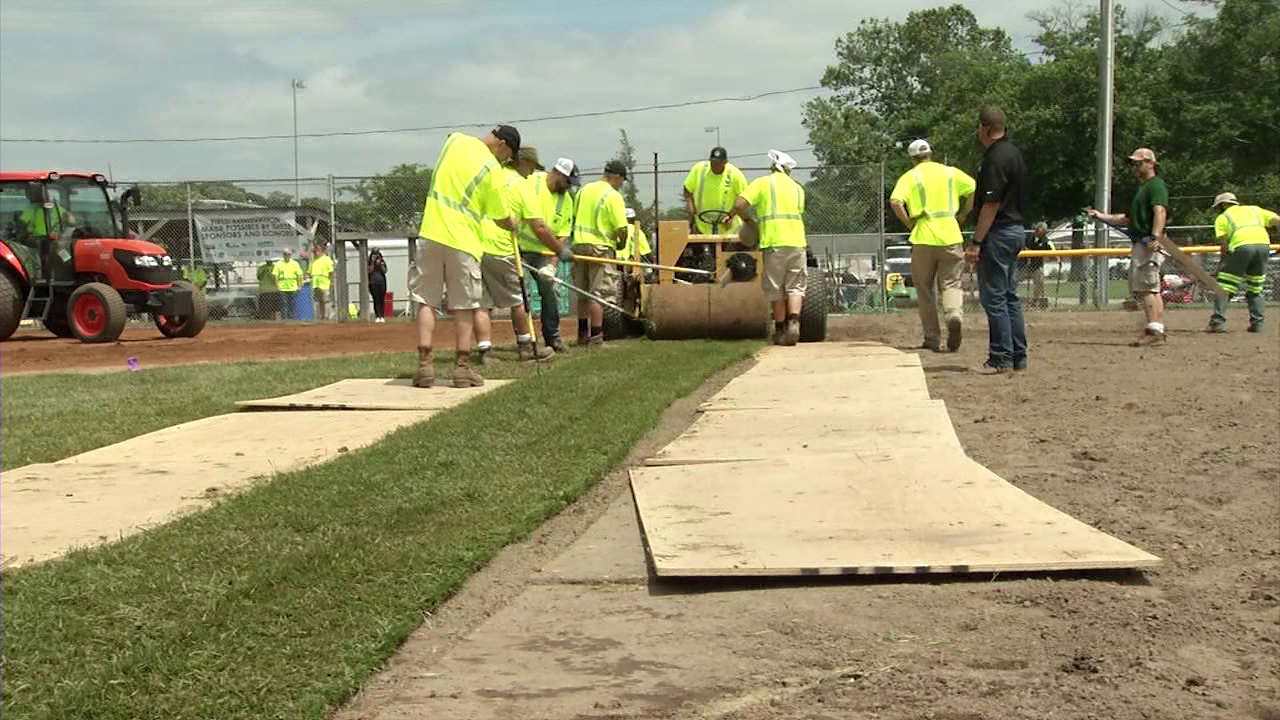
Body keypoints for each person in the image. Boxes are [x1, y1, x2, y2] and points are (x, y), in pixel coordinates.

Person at [409, 125, 519, 388]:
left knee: (426, 301)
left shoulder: (457, 141)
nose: (506, 161)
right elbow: (501, 216)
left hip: (431, 233)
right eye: (508, 156)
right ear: (502, 144)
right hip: (463, 242)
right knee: (465, 306)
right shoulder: (493, 170)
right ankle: (462, 368)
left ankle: (424, 366)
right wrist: (513, 222)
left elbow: (450, 137)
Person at [889, 138, 976, 353]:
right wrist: (963, 214)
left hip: (923, 236)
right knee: (951, 284)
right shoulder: (950, 173)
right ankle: (953, 314)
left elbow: (895, 201)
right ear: (930, 153)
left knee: (924, 289)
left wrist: (908, 221)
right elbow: (975, 188)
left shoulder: (911, 176)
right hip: (950, 234)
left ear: (912, 158)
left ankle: (932, 337)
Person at [475, 145, 555, 364]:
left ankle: (485, 351)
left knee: (482, 303)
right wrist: (559, 250)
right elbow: (538, 226)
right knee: (519, 299)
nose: (532, 172)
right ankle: (526, 347)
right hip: (501, 247)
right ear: (524, 162)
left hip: (477, 245)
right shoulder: (521, 185)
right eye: (531, 167)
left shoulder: (493, 175)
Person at [965, 106, 1028, 374]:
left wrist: (976, 242)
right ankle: (1018, 356)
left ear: (984, 128)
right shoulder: (1014, 153)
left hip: (999, 232)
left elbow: (991, 204)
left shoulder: (994, 158)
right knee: (1010, 296)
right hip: (1016, 229)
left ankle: (1000, 357)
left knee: (995, 298)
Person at [1085, 147, 1169, 347]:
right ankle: (1155, 328)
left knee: (1146, 288)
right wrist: (1100, 216)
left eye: (1138, 163)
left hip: (1147, 243)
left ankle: (1154, 330)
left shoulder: (1155, 186)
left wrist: (1154, 236)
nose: (1134, 167)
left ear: (1150, 163)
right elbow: (1126, 219)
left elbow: (1160, 211)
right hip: (1142, 242)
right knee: (1150, 289)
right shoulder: (1143, 189)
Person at [725, 149, 807, 346]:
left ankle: (780, 331)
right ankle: (794, 322)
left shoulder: (763, 183)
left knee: (776, 289)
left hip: (774, 243)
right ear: (787, 170)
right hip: (797, 243)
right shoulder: (798, 188)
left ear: (773, 167)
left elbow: (740, 203)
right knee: (796, 287)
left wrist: (744, 218)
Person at [517, 156, 579, 353]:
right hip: (520, 249)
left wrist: (552, 265)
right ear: (559, 173)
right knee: (521, 295)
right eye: (567, 181)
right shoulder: (531, 181)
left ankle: (552, 338)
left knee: (550, 293)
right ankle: (525, 341)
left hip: (545, 254)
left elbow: (561, 237)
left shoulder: (566, 200)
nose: (569, 186)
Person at [571, 159, 629, 347]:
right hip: (600, 249)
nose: (621, 185)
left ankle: (582, 334)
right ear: (617, 177)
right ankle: (596, 337)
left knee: (582, 293)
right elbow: (621, 227)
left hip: (579, 246)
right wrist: (621, 243)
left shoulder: (583, 191)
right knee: (599, 294)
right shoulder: (612, 195)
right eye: (622, 181)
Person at [1205, 192, 1278, 333]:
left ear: (1224, 204)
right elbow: (1278, 220)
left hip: (1241, 247)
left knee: (1225, 287)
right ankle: (1258, 324)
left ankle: (1217, 322)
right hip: (1263, 246)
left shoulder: (1223, 218)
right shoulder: (1255, 210)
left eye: (1218, 207)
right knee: (1256, 287)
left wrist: (1222, 263)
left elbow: (1224, 245)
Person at [684, 147, 748, 234]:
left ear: (725, 162)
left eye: (719, 163)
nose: (715, 166)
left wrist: (731, 216)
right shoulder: (699, 170)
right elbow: (687, 189)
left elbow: (744, 198)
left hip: (728, 229)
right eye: (713, 162)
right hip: (702, 225)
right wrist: (691, 207)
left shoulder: (735, 175)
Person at [1023, 221, 1054, 304]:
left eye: (1038, 230)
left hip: (1037, 266)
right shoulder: (1030, 238)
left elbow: (1052, 250)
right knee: (1014, 279)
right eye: (1036, 229)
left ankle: (1037, 300)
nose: (1036, 231)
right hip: (1025, 265)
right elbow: (1024, 247)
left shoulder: (1045, 240)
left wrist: (1057, 258)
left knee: (1039, 281)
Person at [272, 248, 304, 320]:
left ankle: (292, 320)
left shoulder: (295, 264)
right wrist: (277, 286)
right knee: (284, 306)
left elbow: (299, 275)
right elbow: (275, 276)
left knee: (292, 305)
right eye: (285, 254)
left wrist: (300, 285)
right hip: (282, 288)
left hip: (293, 288)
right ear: (283, 255)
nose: (287, 256)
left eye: (289, 254)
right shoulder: (279, 264)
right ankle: (285, 321)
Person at [309, 245, 335, 320]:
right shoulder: (313, 261)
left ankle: (327, 316)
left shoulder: (327, 259)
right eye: (315, 251)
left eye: (318, 250)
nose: (316, 252)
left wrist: (331, 281)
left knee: (325, 300)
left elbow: (331, 272)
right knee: (319, 301)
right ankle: (321, 316)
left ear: (322, 251)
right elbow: (310, 272)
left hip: (324, 283)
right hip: (316, 283)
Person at [368, 248, 389, 323]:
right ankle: (377, 315)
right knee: (376, 299)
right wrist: (373, 262)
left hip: (382, 282)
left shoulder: (382, 261)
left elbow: (385, 271)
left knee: (382, 299)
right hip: (373, 282)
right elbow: (369, 270)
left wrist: (381, 263)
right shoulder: (369, 262)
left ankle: (382, 316)